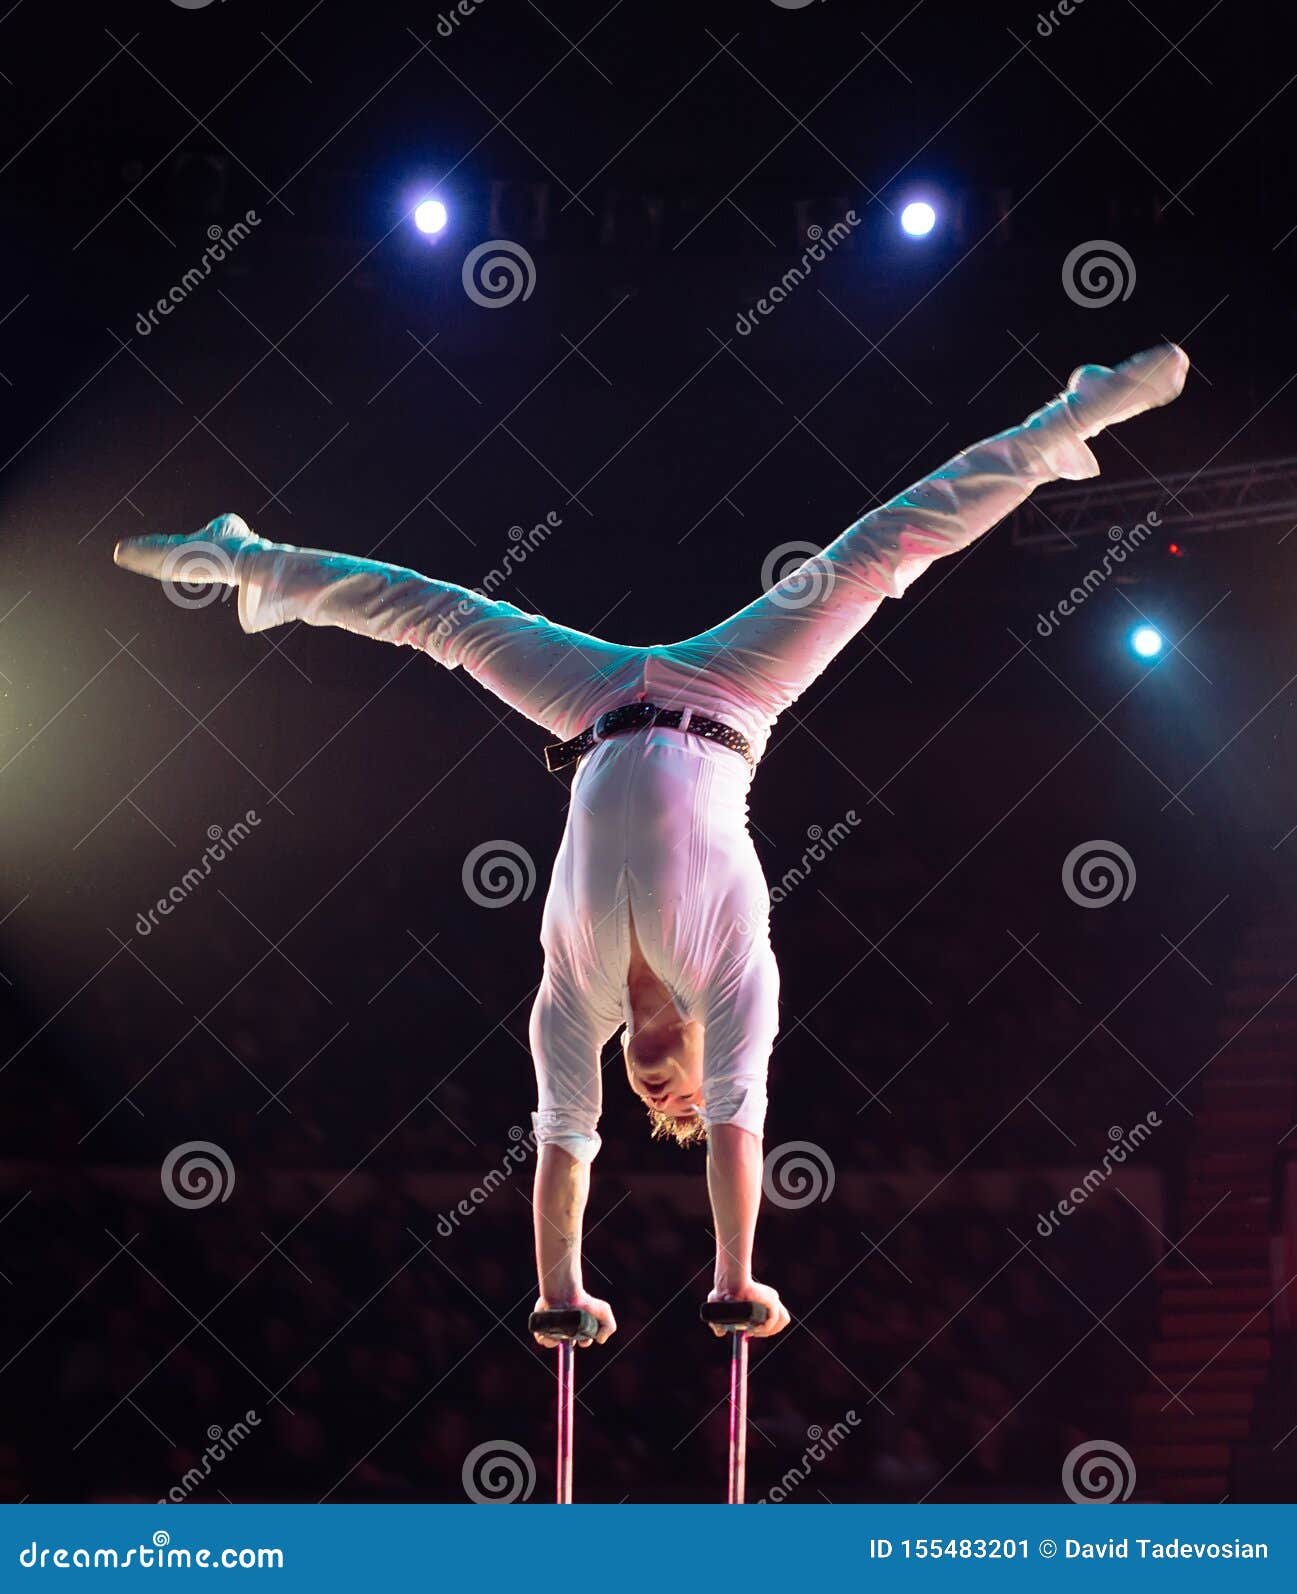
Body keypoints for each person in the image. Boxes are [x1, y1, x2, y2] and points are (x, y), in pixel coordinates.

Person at [113, 344, 1189, 1351]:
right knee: (877, 554)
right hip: (733, 692)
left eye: (651, 1101)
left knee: (433, 616)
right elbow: (735, 1129)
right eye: (681, 1099)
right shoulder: (735, 982)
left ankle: (243, 560)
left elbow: (561, 1151)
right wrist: (734, 1279)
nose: (659, 1093)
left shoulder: (569, 1003)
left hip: (590, 710)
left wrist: (559, 1294)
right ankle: (1071, 418)